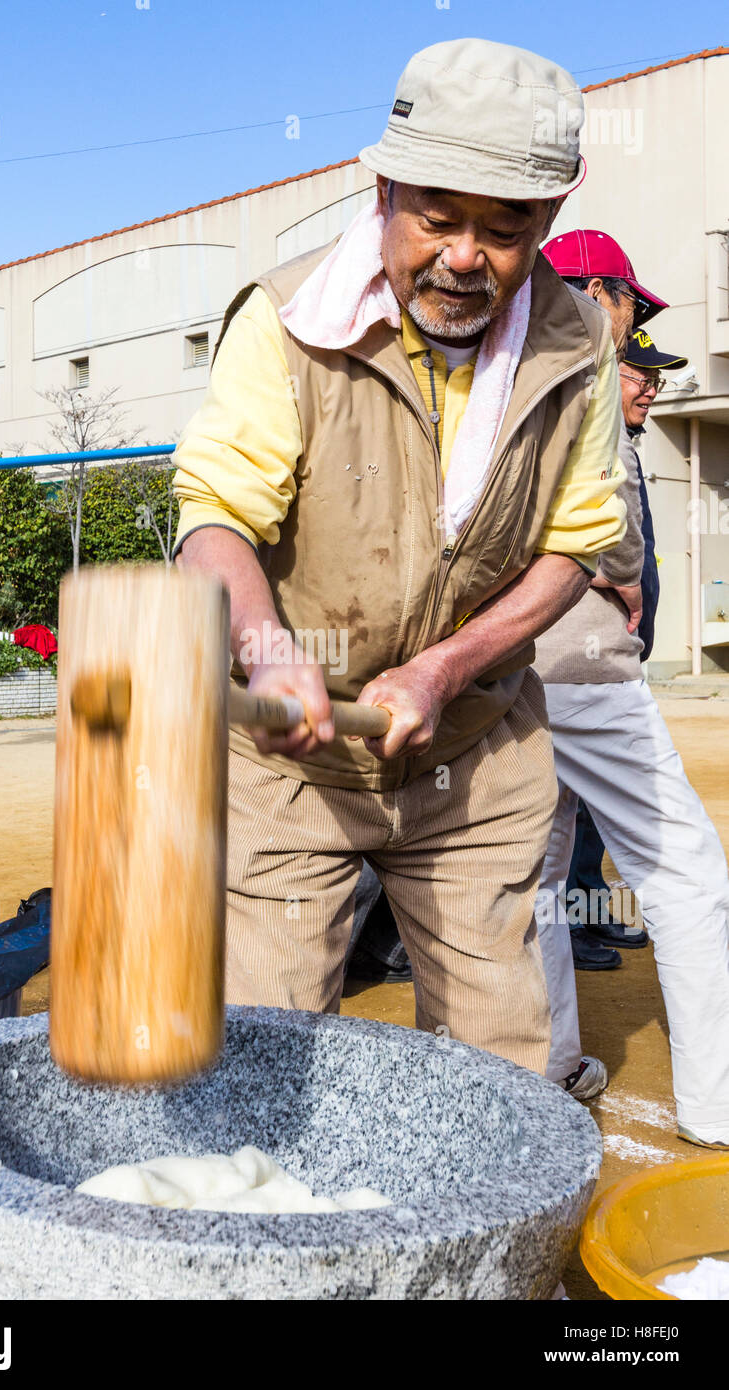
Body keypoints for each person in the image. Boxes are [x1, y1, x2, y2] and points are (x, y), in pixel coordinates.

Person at [172, 39, 627, 1077]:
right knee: (259, 1061)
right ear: (383, 191)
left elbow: (572, 542)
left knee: (503, 1071)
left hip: (473, 747)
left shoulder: (576, 346)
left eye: (501, 228)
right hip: (294, 762)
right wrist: (265, 650)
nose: (464, 257)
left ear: (546, 220)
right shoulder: (285, 322)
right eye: (435, 215)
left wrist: (443, 668)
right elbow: (213, 519)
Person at [534, 234, 729, 1145]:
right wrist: (624, 577)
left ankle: (550, 1068)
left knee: (533, 878)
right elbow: (602, 524)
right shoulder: (581, 363)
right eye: (630, 303)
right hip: (579, 662)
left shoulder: (499, 366)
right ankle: (718, 1105)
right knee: (685, 873)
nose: (634, 326)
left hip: (505, 668)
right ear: (595, 291)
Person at [564, 325, 685, 970]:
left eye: (655, 382)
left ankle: (585, 902)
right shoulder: (594, 431)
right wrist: (620, 574)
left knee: (579, 813)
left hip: (613, 656)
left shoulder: (625, 441)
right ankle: (574, 920)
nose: (651, 393)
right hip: (582, 664)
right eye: (642, 379)